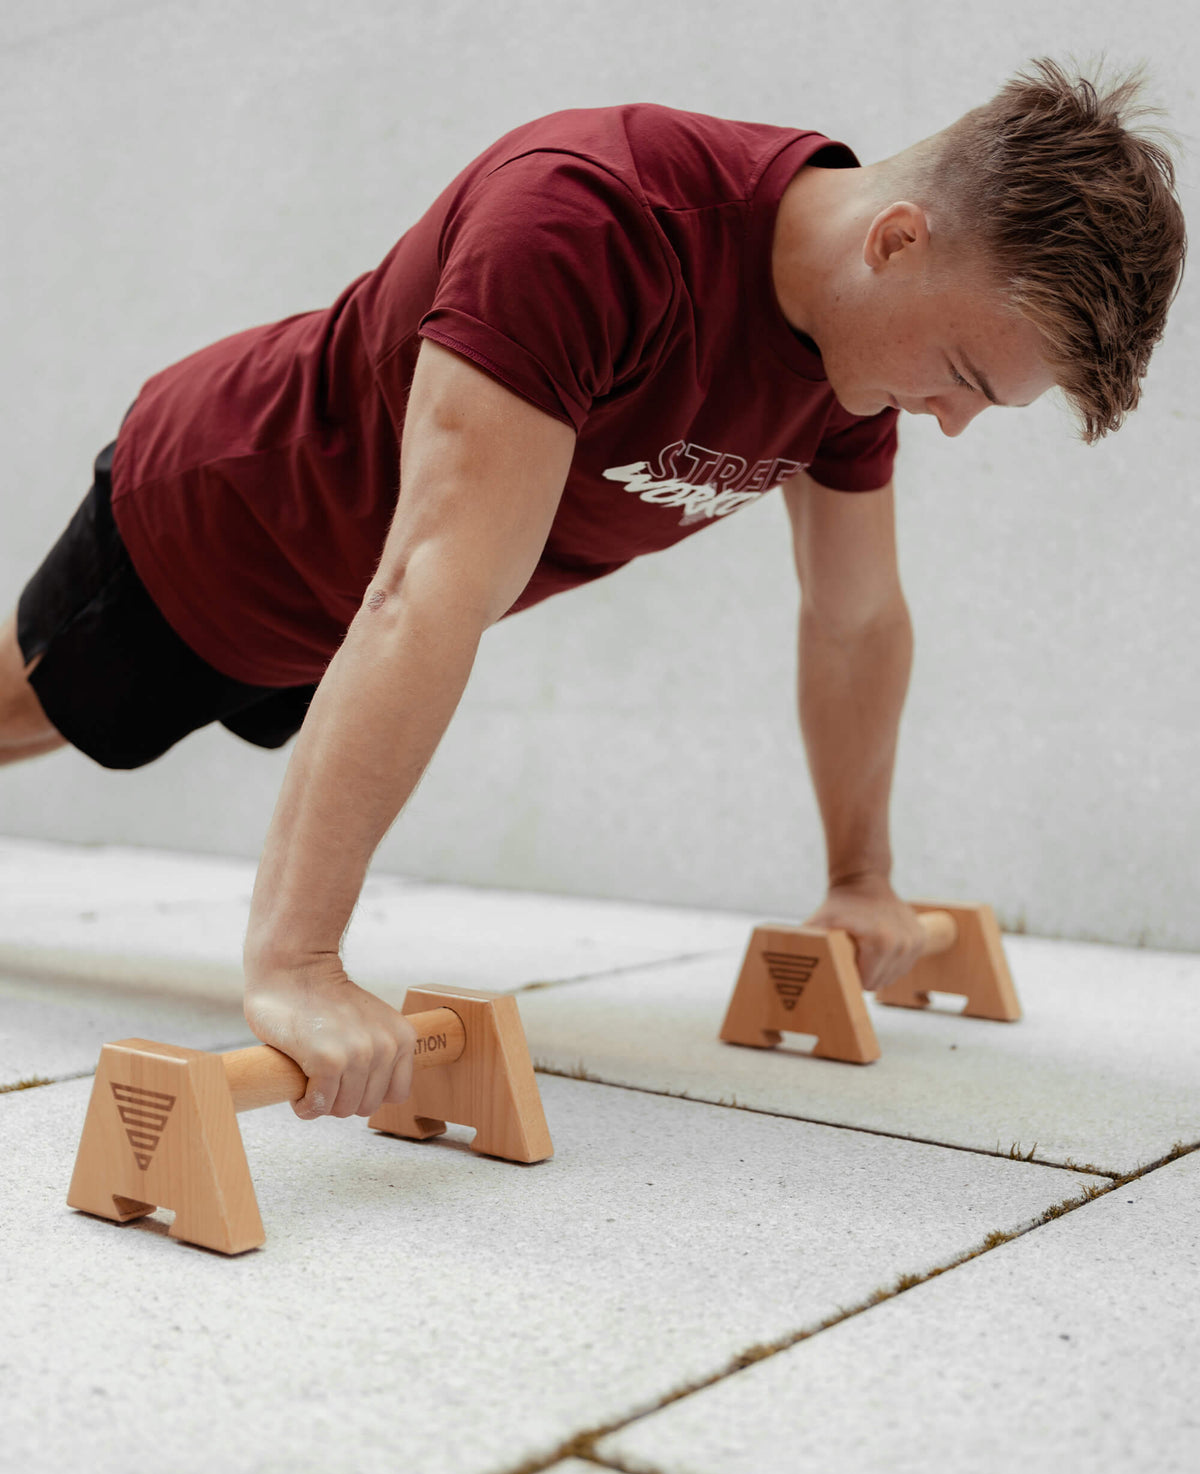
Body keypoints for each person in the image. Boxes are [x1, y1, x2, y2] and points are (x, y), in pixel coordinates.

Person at [0, 60, 1185, 1122]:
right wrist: (300, 963)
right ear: (895, 240)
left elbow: (856, 616)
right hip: (218, 527)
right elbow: (424, 587)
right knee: (22, 720)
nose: (956, 423)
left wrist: (859, 879)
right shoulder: (591, 223)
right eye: (967, 374)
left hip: (345, 639)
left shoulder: (853, 369)